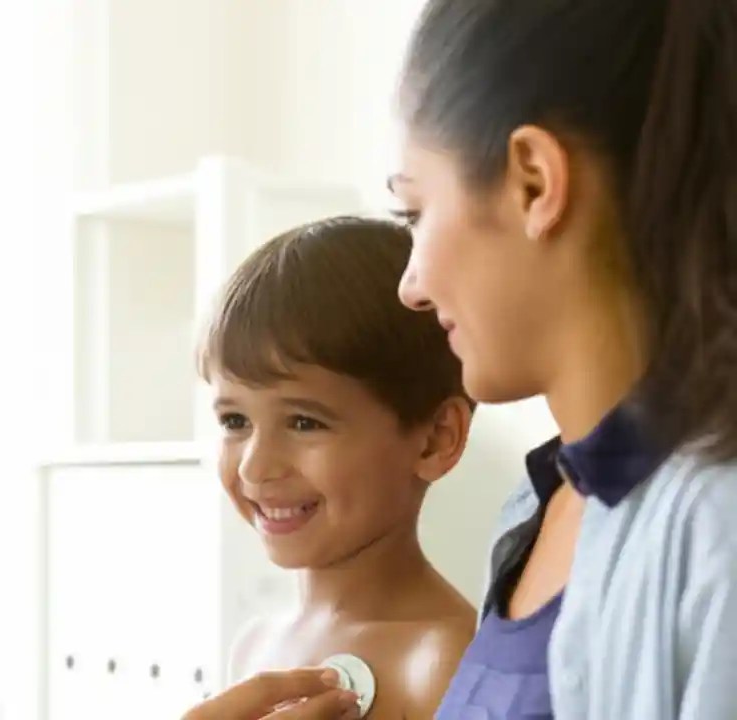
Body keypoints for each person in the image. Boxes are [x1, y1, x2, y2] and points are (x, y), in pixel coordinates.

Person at [390, 0, 737, 717]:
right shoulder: (537, 510)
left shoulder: (716, 532)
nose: (410, 285)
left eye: (415, 213)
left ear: (534, 183)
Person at [198, 217, 476, 718]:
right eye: (235, 420)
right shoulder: (254, 644)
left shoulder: (449, 660)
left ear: (436, 438)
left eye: (304, 422)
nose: (255, 468)